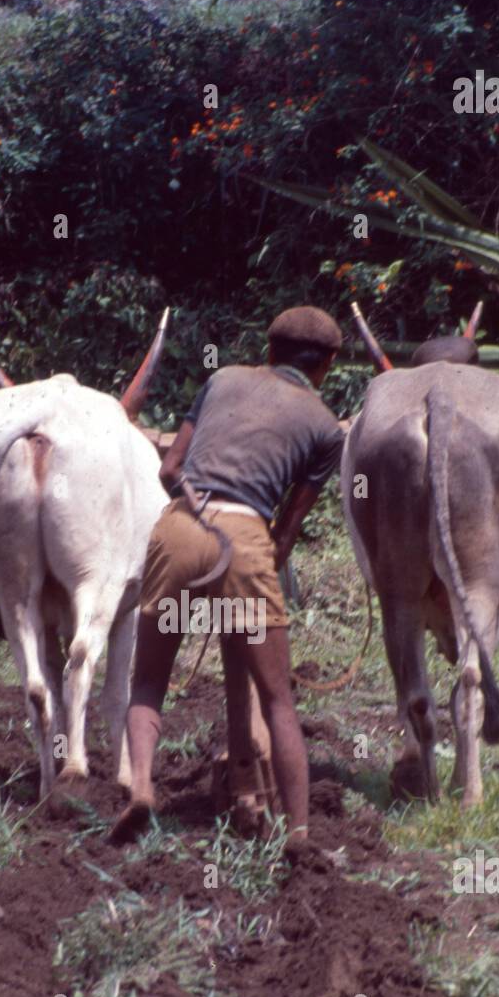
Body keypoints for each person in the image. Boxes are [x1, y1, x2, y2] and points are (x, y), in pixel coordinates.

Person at [109, 305, 344, 850]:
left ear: (269, 350)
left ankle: (141, 790)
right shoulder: (325, 427)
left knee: (147, 682)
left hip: (181, 530)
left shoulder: (222, 379)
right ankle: (300, 834)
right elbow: (285, 533)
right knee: (279, 699)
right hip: (244, 541)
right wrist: (256, 573)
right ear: (328, 364)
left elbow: (169, 469)